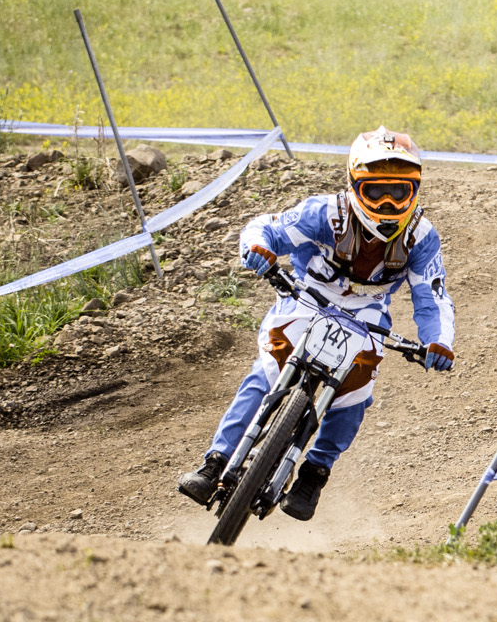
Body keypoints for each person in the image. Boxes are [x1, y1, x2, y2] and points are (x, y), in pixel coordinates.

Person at [177, 127, 455, 521]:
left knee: (356, 394)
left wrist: (438, 342)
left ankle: (314, 471)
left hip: (366, 314)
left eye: (399, 191)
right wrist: (257, 248)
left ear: (416, 189)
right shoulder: (324, 212)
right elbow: (268, 227)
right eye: (376, 192)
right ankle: (215, 462)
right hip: (307, 296)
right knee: (267, 372)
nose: (388, 203)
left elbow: (433, 295)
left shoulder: (421, 236)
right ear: (354, 184)